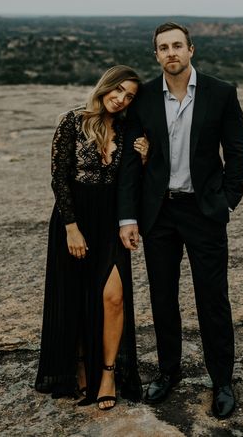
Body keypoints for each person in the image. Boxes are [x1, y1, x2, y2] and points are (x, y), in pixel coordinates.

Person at [118, 22, 243, 420]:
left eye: (177, 45)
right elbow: (128, 162)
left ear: (191, 50)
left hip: (204, 211)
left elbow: (237, 150)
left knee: (212, 298)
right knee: (162, 296)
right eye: (163, 47)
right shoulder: (142, 101)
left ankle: (222, 380)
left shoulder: (221, 93)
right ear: (156, 55)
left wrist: (227, 199)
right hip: (159, 213)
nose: (171, 52)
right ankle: (168, 371)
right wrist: (128, 216)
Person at [35, 65, 148, 410]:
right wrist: (71, 226)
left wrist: (143, 160)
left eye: (129, 96)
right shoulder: (73, 121)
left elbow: (130, 183)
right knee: (76, 295)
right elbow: (59, 178)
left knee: (113, 296)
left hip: (110, 221)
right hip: (74, 221)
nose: (121, 99)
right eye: (118, 90)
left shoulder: (129, 130)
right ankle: (81, 368)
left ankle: (109, 372)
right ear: (105, 87)